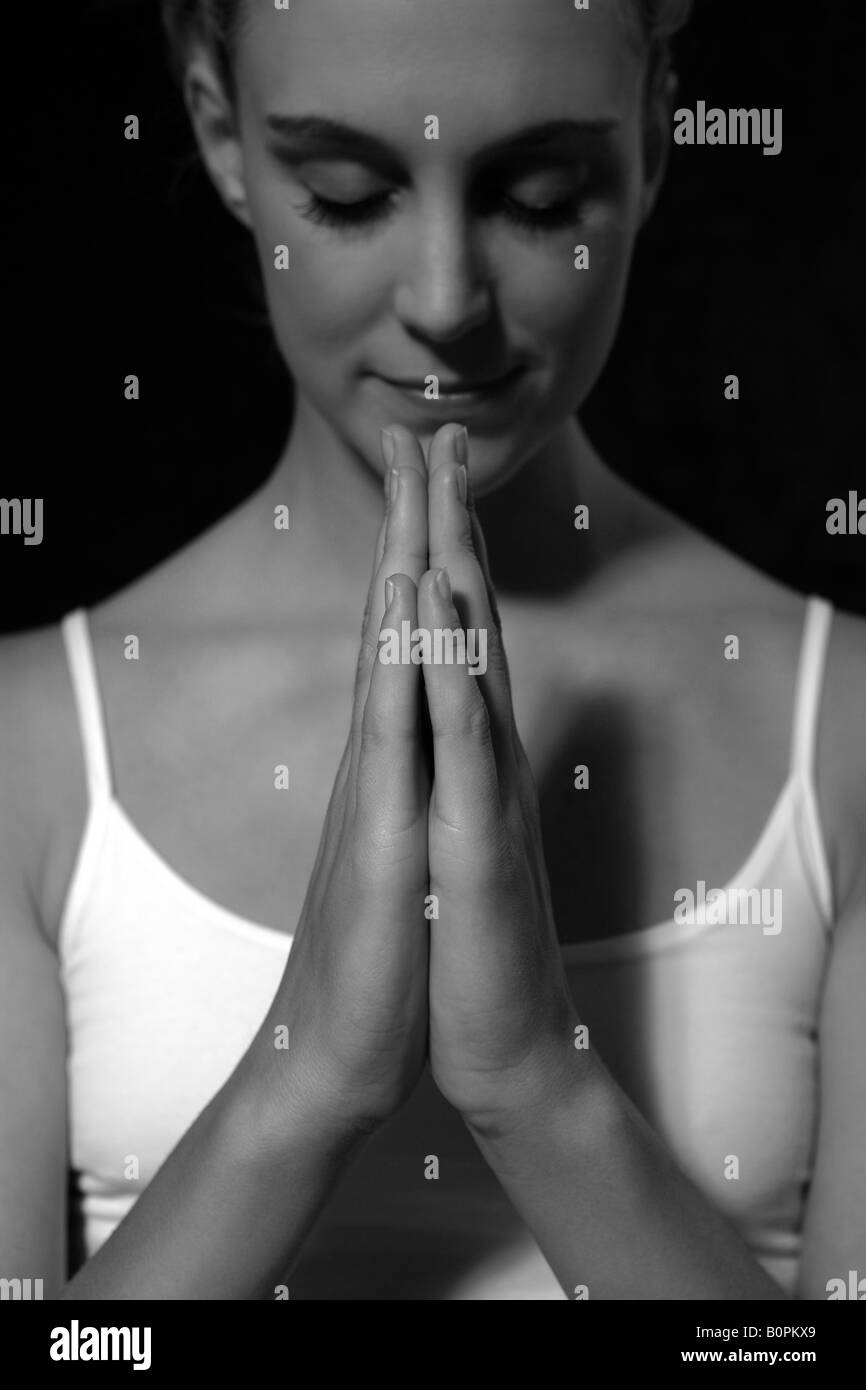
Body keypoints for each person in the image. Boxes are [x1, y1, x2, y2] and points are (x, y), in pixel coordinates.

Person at [1, 0, 863, 1301]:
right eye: (347, 193)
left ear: (653, 138)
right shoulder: (29, 744)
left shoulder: (845, 725)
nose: (447, 300)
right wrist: (304, 1084)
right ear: (219, 131)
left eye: (540, 192)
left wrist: (535, 1082)